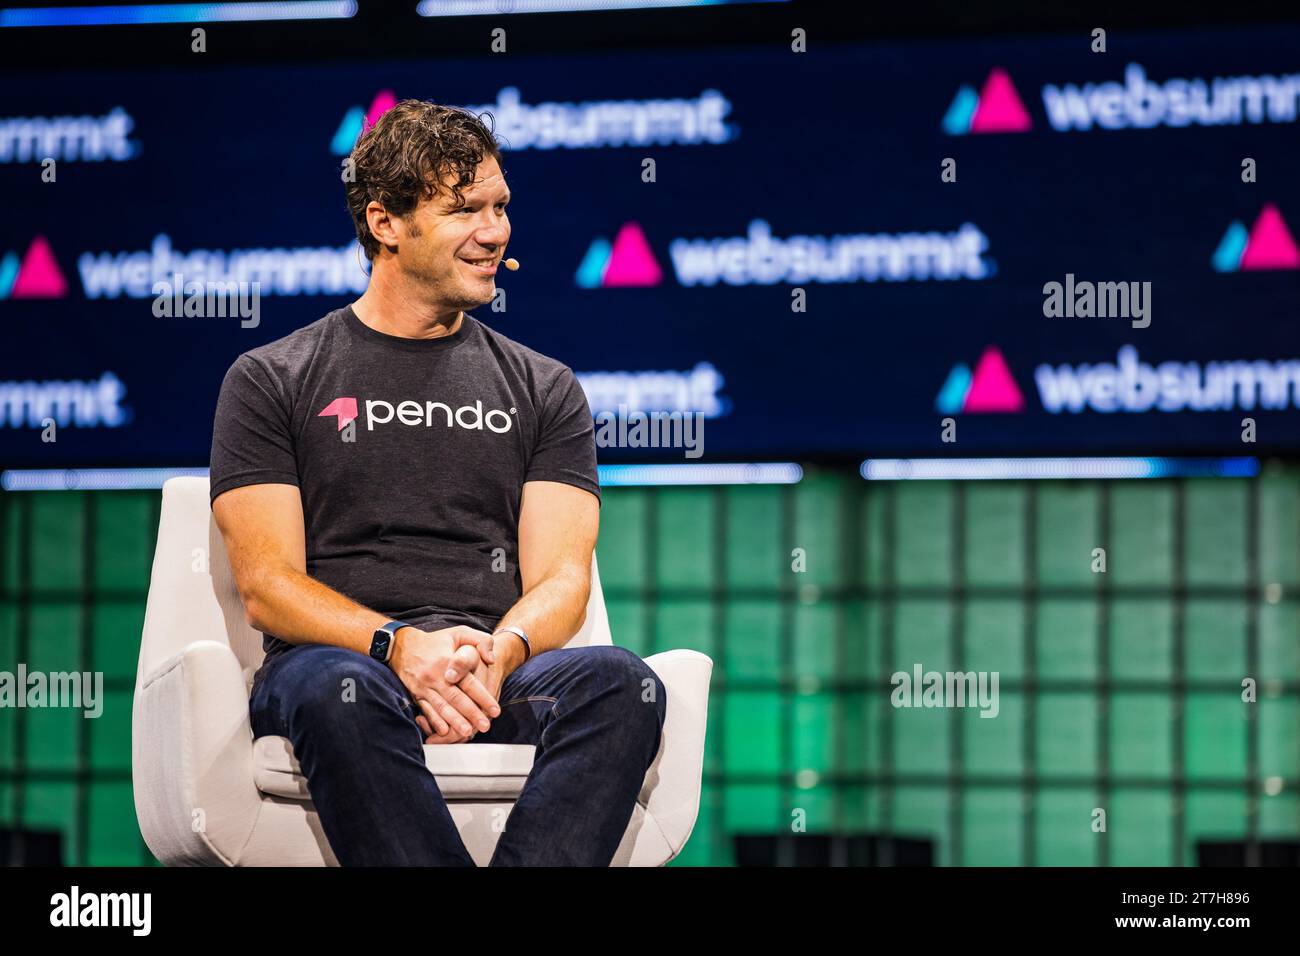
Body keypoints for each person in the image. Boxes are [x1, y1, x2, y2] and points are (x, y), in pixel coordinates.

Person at [208, 100, 666, 866]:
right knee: (334, 691)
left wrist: (498, 653)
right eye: (466, 211)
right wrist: (397, 647)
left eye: (500, 207)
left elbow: (562, 578)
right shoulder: (270, 379)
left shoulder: (545, 387)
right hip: (342, 662)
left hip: (492, 672)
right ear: (386, 223)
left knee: (623, 684)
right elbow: (267, 585)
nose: (496, 232)